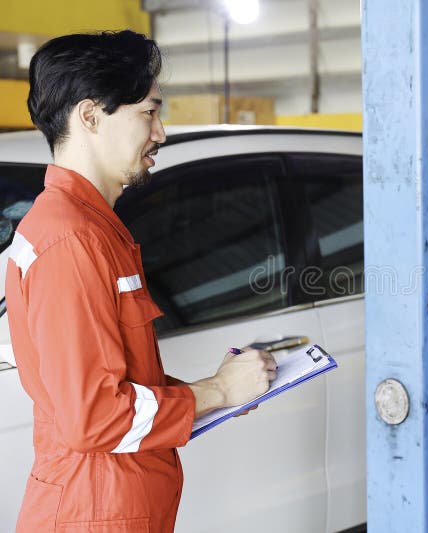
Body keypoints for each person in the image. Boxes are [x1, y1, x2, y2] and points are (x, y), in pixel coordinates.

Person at [6, 30, 276, 532]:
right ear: (89, 116)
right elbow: (94, 416)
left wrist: (211, 395)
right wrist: (215, 390)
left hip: (111, 501)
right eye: (148, 112)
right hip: (94, 512)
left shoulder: (88, 227)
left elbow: (121, 384)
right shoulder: (70, 240)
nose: (161, 132)